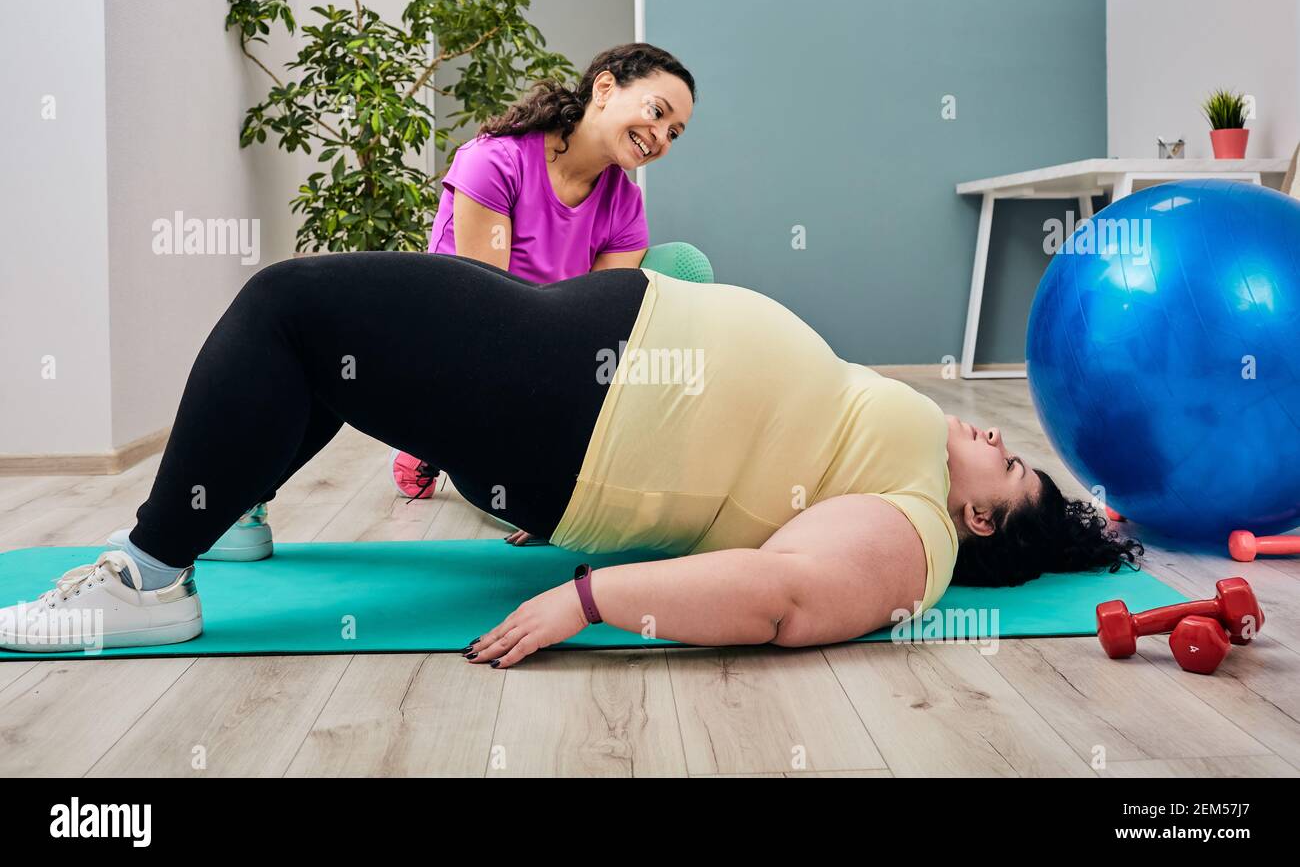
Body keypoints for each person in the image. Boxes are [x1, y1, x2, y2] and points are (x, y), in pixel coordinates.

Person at [0, 253, 1141, 660]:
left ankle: (152, 577)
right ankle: (220, 511)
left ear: (983, 521)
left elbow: (788, 596)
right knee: (334, 353)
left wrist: (591, 598)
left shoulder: (918, 536)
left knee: (293, 308)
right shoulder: (906, 455)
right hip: (585, 361)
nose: (994, 439)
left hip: (584, 423)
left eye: (1012, 470)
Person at [390, 42, 694, 505]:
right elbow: (485, 311)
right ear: (606, 87)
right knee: (535, 490)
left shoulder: (625, 205)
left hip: (552, 346)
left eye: (675, 132)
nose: (660, 137)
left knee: (681, 266)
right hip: (470, 340)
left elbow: (600, 317)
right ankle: (440, 433)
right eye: (656, 112)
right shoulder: (495, 160)